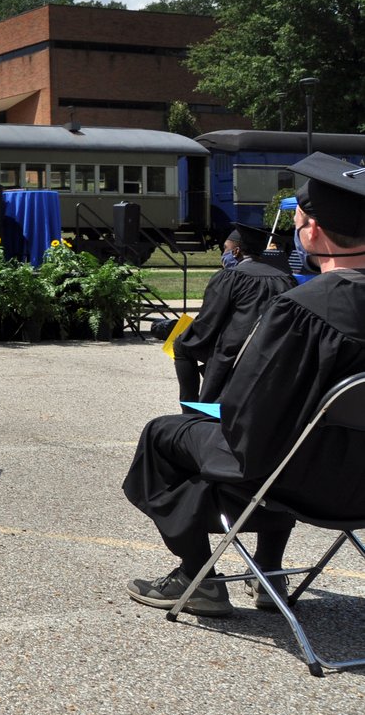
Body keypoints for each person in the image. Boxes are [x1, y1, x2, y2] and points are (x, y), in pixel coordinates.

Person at [123, 153, 365, 617]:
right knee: (288, 445)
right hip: (360, 485)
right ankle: (269, 570)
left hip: (299, 478)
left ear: (312, 231)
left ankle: (200, 577)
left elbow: (247, 420)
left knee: (165, 436)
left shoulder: (305, 309)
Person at [171, 223, 295, 405]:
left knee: (180, 345)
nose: (224, 254)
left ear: (236, 252)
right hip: (274, 348)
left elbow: (208, 321)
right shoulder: (286, 278)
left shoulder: (230, 276)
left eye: (225, 249)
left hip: (234, 351)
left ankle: (190, 410)